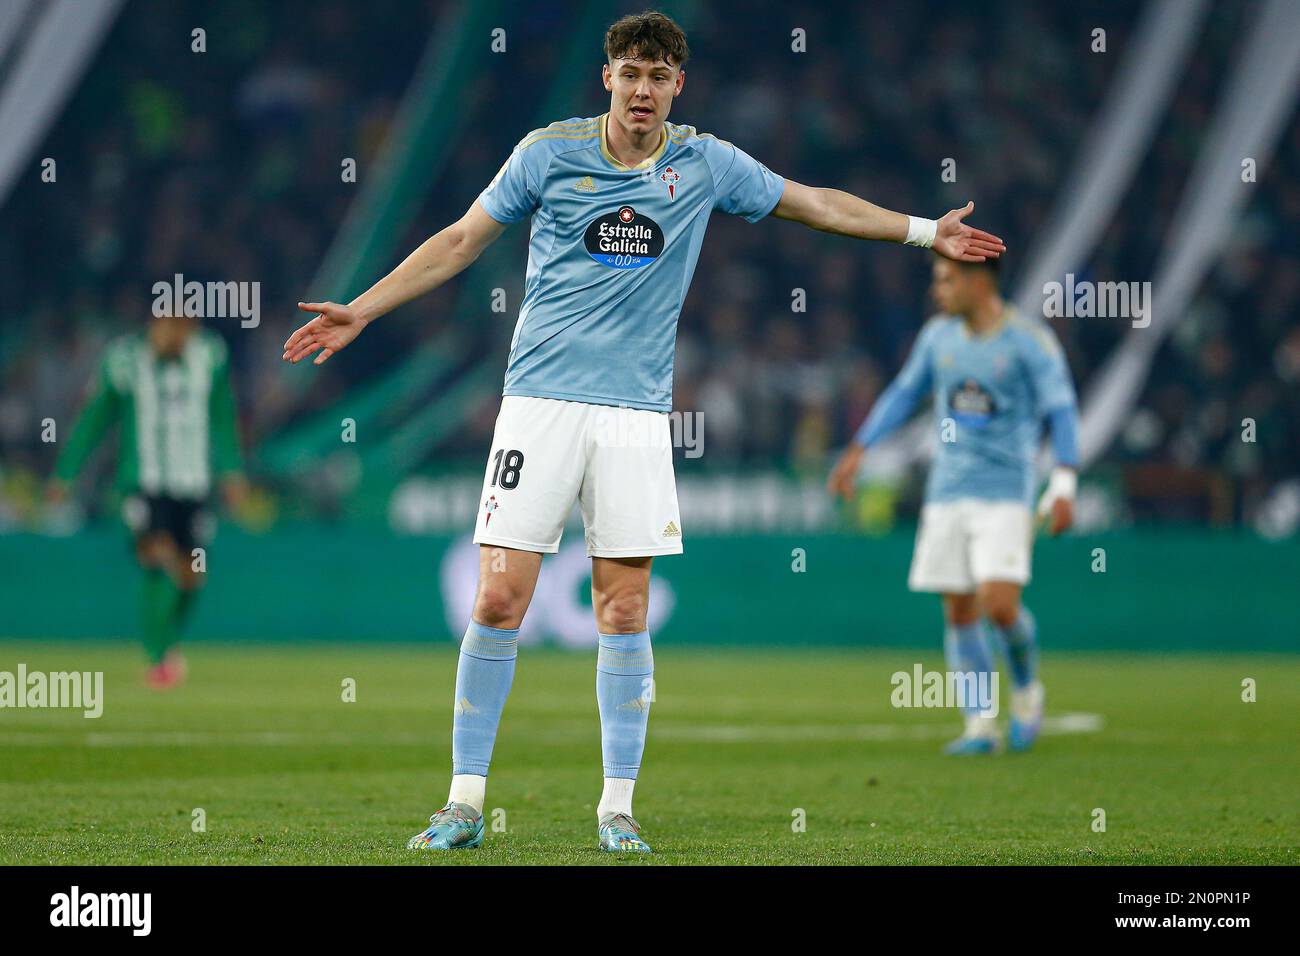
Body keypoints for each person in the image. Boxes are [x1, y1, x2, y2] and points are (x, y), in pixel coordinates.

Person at [283, 10, 1004, 852]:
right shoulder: (547, 153)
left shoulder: (704, 163)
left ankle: (616, 809)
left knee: (623, 610)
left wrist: (924, 231)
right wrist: (362, 311)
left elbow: (816, 205)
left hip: (633, 417)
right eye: (631, 73)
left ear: (677, 87)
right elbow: (458, 242)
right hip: (539, 406)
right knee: (497, 597)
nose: (644, 90)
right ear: (608, 79)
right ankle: (463, 803)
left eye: (660, 77)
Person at [828, 257, 1077, 754]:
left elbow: (1061, 409)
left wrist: (1065, 482)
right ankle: (980, 725)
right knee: (960, 610)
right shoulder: (938, 338)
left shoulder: (1028, 341)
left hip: (1006, 492)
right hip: (947, 492)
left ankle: (1027, 692)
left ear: (978, 282)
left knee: (999, 606)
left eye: (947, 280)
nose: (938, 290)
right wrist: (859, 448)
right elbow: (903, 393)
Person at [50, 314, 247, 688]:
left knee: (192, 576)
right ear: (154, 324)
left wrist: (232, 470)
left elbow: (223, 415)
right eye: (170, 325)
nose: (176, 335)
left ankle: (167, 642)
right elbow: (95, 418)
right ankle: (157, 658)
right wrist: (67, 471)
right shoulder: (124, 360)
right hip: (144, 482)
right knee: (155, 557)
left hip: (193, 482)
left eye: (185, 326)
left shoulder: (209, 356)